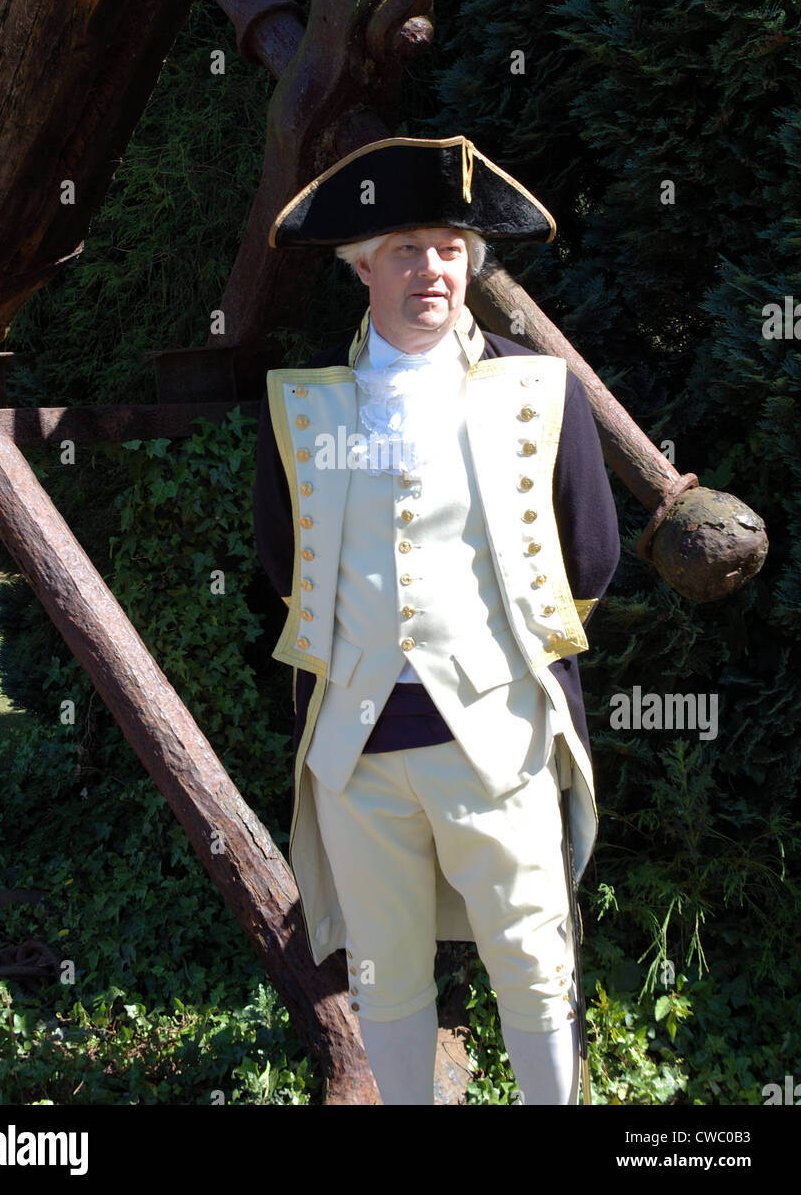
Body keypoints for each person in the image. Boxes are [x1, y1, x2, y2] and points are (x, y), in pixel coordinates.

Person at [253, 134, 621, 1105]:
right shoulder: (304, 409)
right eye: (407, 247)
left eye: (451, 247)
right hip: (356, 751)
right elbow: (281, 562)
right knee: (386, 971)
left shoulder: (538, 392)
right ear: (361, 265)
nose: (433, 268)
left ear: (475, 262)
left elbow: (590, 556)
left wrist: (487, 657)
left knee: (535, 965)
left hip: (498, 739)